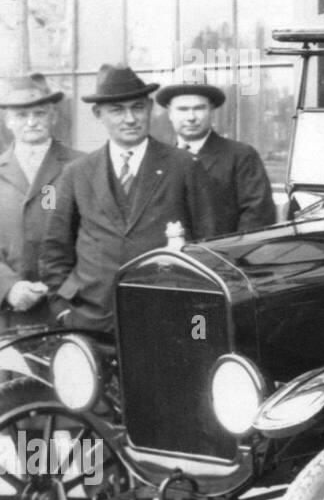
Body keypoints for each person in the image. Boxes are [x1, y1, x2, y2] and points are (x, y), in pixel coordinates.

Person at [41, 64, 219, 334]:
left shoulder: (184, 166)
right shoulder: (77, 172)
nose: (130, 119)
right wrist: (63, 309)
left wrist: (197, 309)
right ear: (98, 114)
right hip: (91, 317)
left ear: (150, 108)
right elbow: (55, 249)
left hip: (167, 315)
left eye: (137, 107)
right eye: (117, 110)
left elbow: (210, 243)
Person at [0, 75, 80, 331]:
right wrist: (9, 288)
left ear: (53, 116)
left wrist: (67, 290)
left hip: (69, 309)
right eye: (22, 116)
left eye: (40, 113)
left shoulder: (82, 166)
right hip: (10, 312)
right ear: (8, 121)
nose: (32, 122)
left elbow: (98, 240)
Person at [156, 72, 275, 234]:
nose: (191, 117)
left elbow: (257, 216)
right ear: (170, 113)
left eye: (199, 108)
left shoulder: (241, 156)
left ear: (211, 110)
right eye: (183, 109)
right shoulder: (160, 161)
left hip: (224, 256)